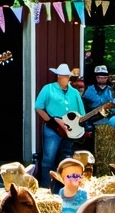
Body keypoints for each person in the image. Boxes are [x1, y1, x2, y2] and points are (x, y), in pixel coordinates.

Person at [36, 62, 86, 192]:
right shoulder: (48, 89)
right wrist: (51, 120)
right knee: (48, 158)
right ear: (58, 77)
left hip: (70, 130)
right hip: (53, 127)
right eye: (62, 76)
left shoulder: (74, 93)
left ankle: (64, 188)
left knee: (65, 157)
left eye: (66, 76)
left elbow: (82, 114)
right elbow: (38, 107)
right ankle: (45, 187)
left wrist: (78, 125)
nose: (65, 78)